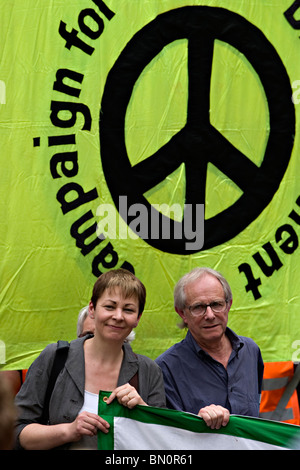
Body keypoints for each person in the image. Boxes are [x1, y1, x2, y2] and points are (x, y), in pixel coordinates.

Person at [15, 268, 166, 450]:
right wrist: (69, 431)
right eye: (109, 307)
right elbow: (16, 431)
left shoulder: (149, 370)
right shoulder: (55, 356)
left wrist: (142, 409)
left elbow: (161, 444)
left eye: (128, 309)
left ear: (138, 318)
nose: (118, 316)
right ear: (92, 309)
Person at [156, 267, 264, 430]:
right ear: (182, 313)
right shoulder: (166, 368)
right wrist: (197, 425)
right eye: (198, 307)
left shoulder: (250, 351)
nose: (210, 315)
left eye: (216, 304)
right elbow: (168, 436)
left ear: (228, 305)